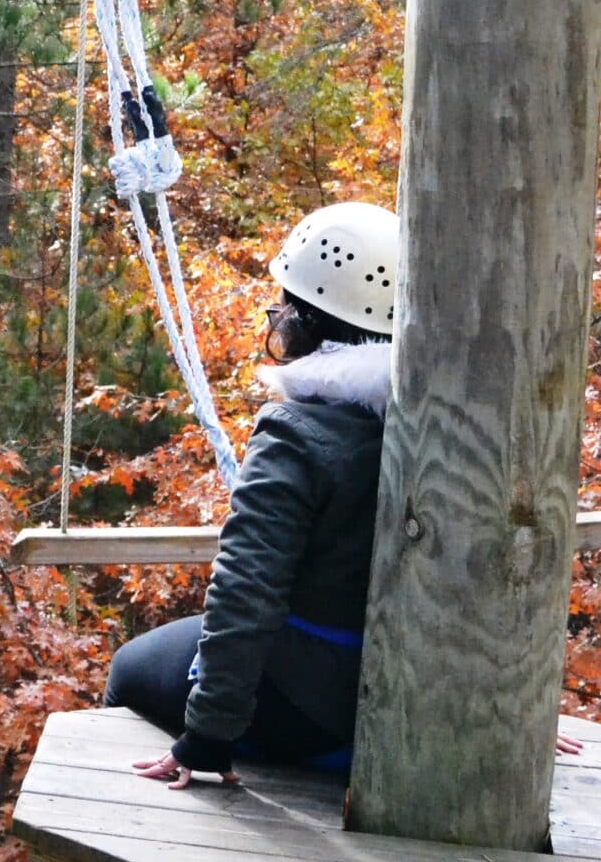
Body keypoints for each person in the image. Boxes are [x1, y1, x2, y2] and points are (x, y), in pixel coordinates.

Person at [109, 202, 400, 786]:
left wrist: (207, 735)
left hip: (313, 708)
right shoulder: (436, 427)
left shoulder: (296, 434)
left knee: (128, 668)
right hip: (407, 694)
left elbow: (247, 588)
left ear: (304, 324)